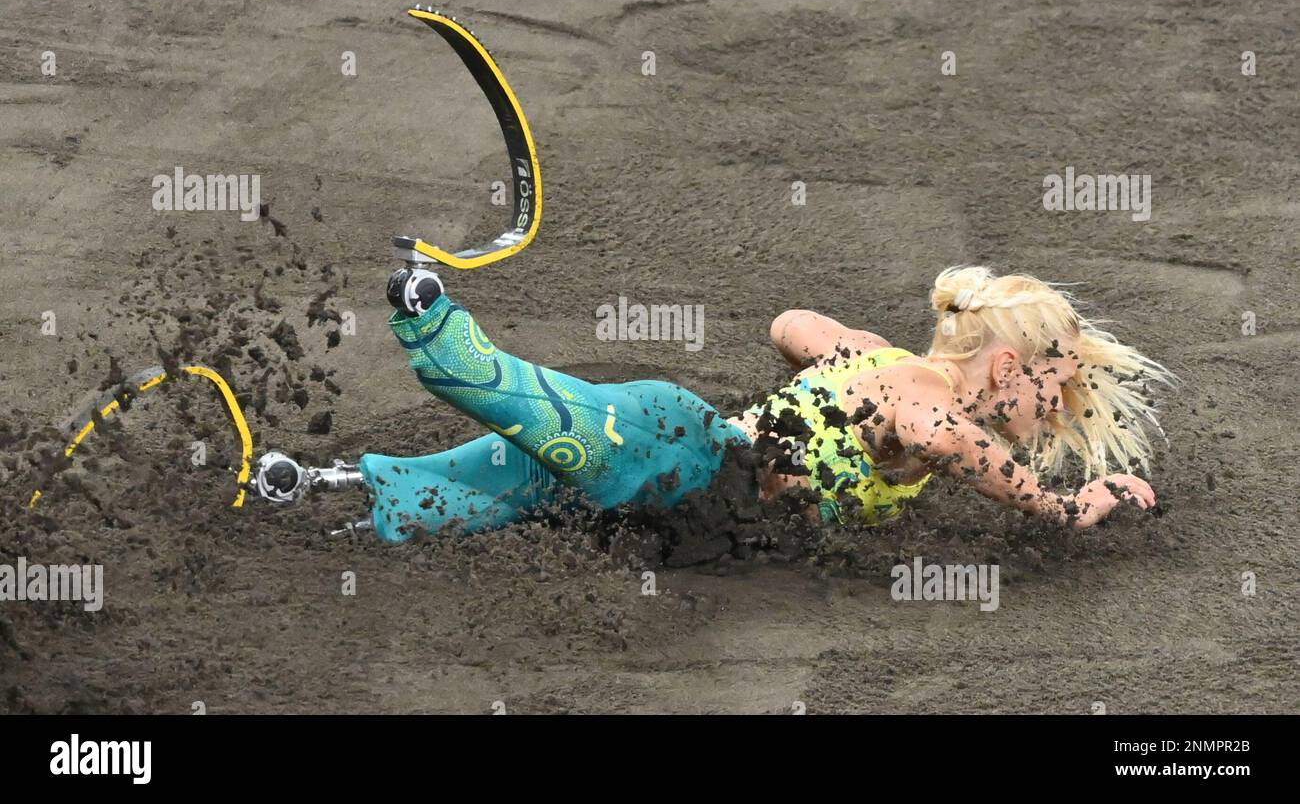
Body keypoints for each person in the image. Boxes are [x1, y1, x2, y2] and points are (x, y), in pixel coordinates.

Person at [252, 262, 1173, 542]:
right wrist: (1065, 505)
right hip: (680, 452)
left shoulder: (883, 361)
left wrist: (850, 365)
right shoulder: (928, 402)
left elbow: (790, 325)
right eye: (1053, 397)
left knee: (476, 495)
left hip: (665, 493)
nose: (1050, 421)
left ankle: (311, 484)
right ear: (1007, 370)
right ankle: (436, 327)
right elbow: (940, 436)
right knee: (532, 411)